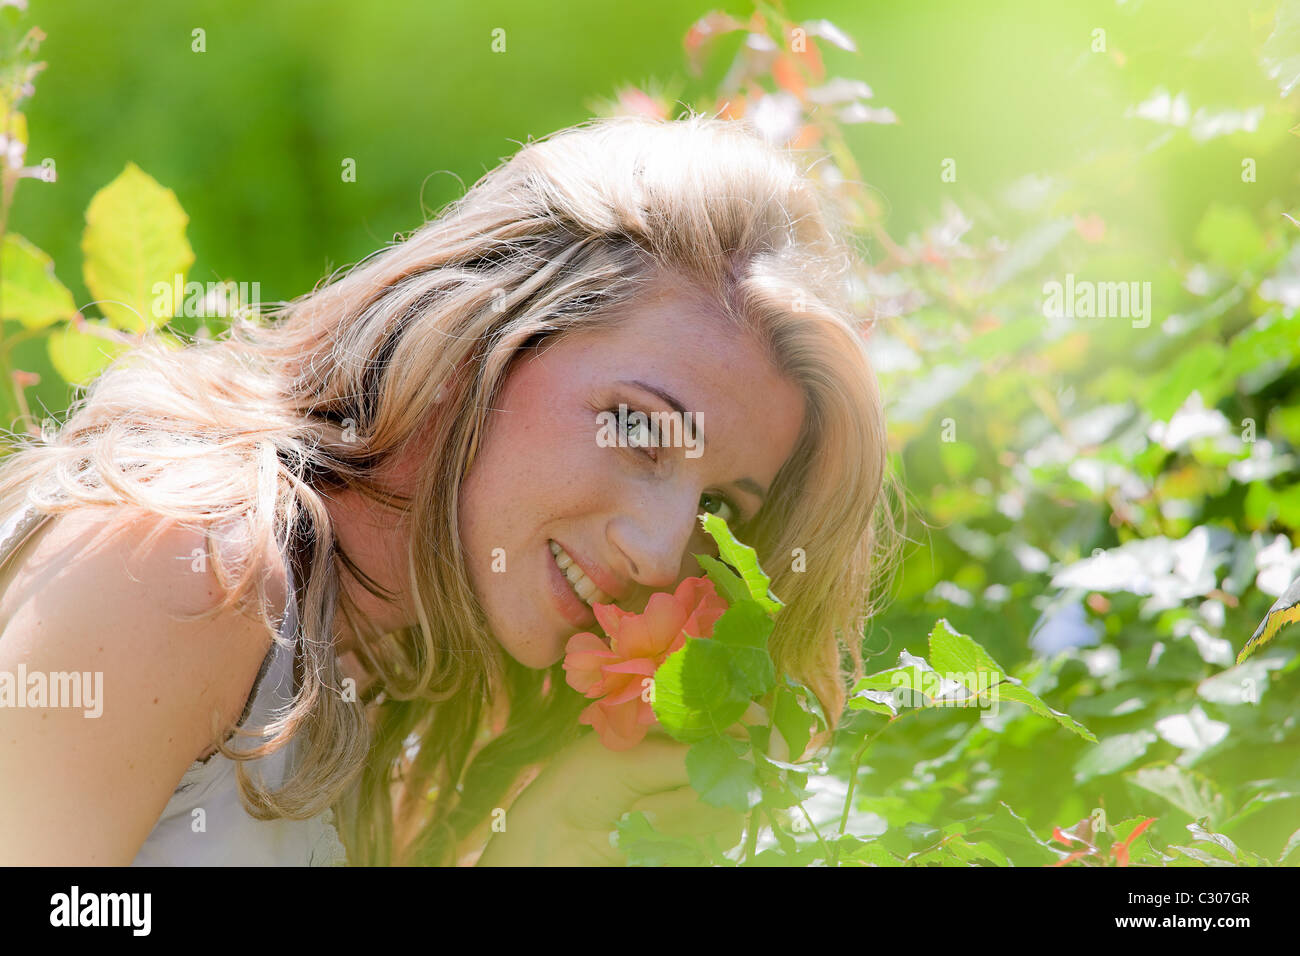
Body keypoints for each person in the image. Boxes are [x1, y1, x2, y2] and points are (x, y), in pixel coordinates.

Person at [0, 111, 895, 866]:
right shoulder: (190, 569)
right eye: (638, 430)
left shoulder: (409, 684)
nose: (664, 551)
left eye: (718, 508)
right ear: (485, 336)